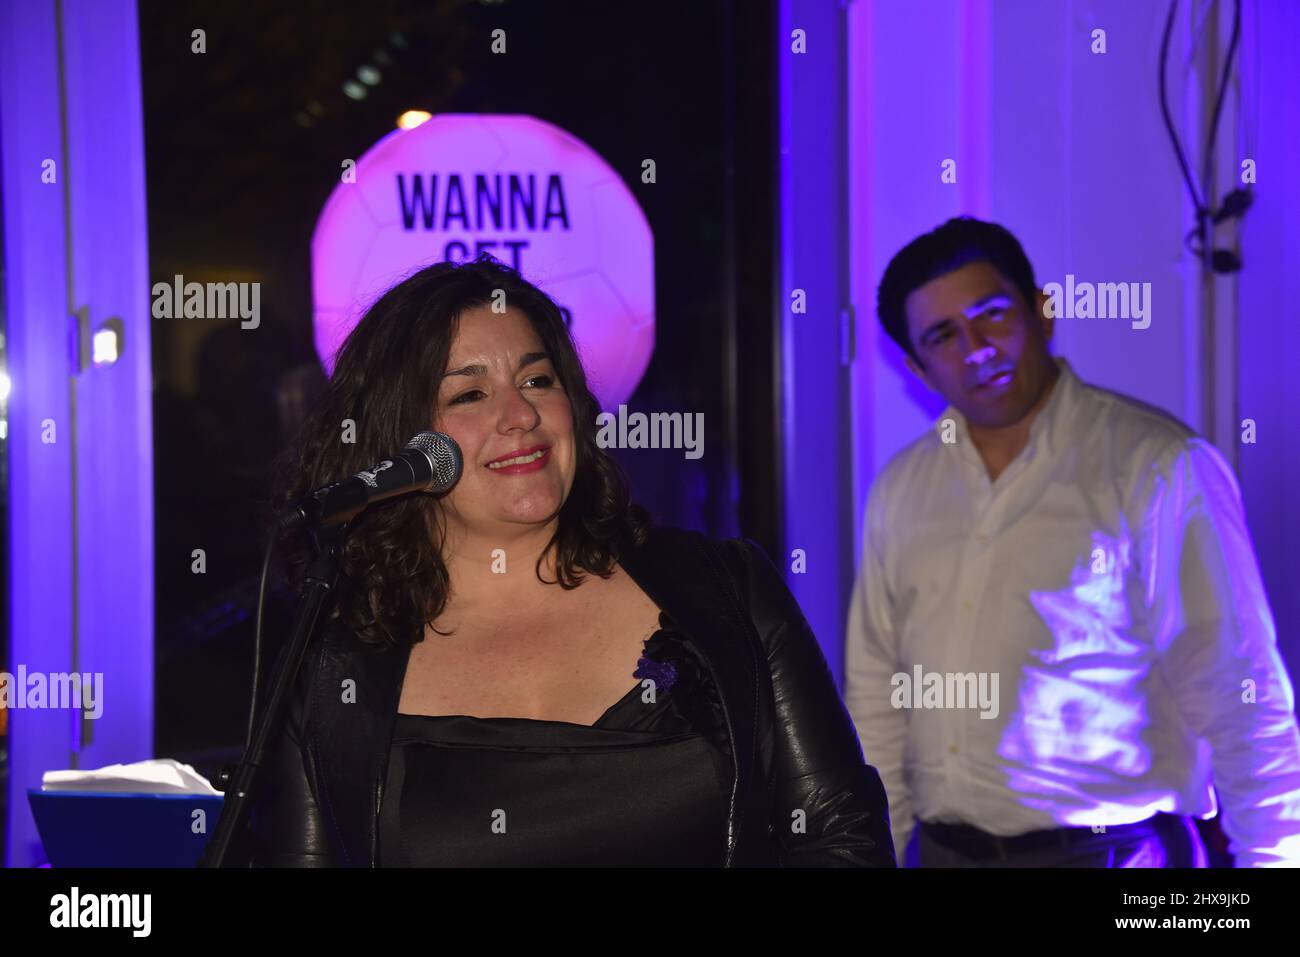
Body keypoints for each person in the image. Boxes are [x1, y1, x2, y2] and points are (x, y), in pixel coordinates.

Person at [243, 255, 894, 867]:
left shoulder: (724, 588)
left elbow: (841, 838)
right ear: (398, 442)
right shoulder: (335, 662)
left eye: (537, 379)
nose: (521, 414)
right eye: (469, 395)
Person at [844, 216, 1300, 867]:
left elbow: (1241, 689)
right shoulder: (901, 488)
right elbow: (876, 699)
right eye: (944, 335)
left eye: (992, 315)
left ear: (1042, 309)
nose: (976, 349)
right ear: (917, 366)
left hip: (1116, 855)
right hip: (944, 853)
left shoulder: (1157, 465)